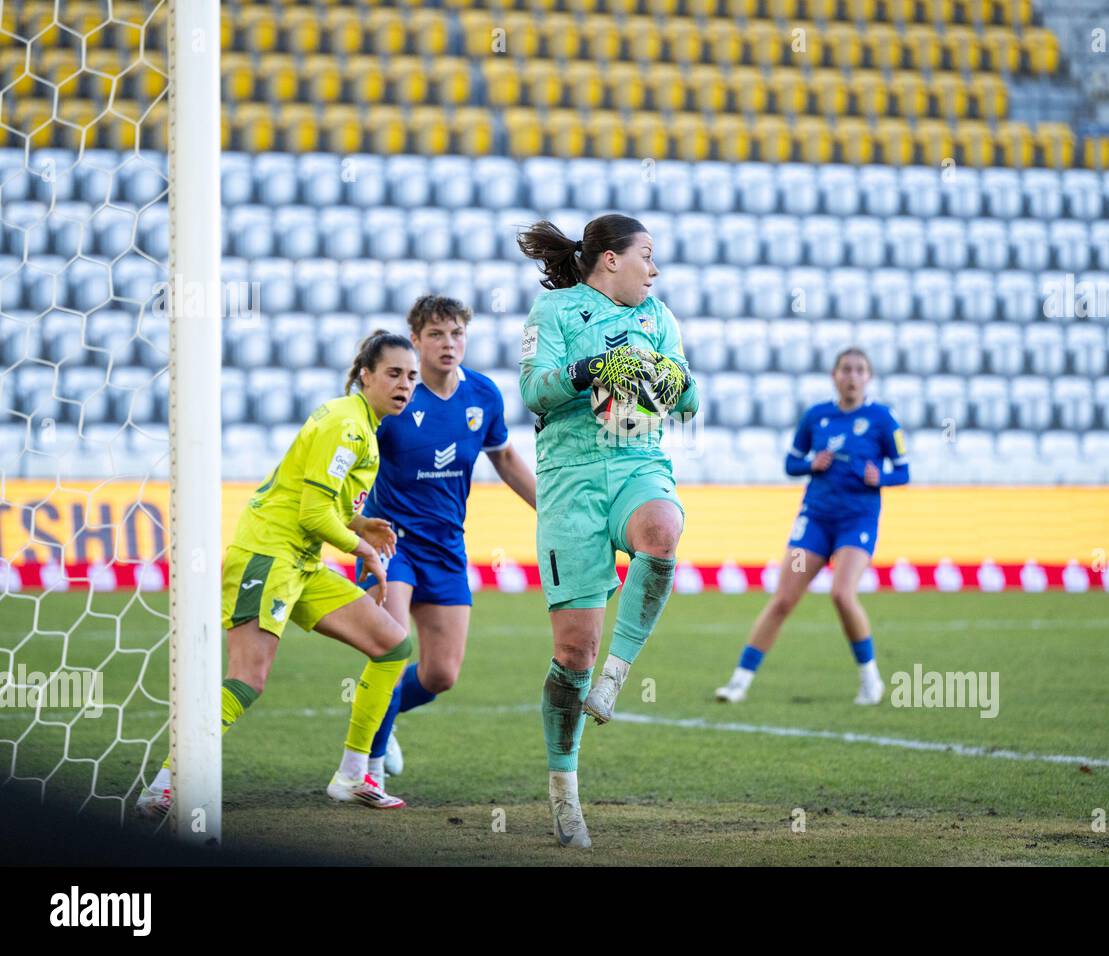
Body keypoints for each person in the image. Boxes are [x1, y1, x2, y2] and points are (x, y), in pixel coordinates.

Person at [135, 330, 418, 818]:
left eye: (411, 377)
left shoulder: (360, 424)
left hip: (301, 563)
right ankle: (167, 784)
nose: (405, 385)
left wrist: (359, 523)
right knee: (247, 679)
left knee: (393, 644)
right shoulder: (347, 427)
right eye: (394, 373)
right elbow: (311, 514)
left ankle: (354, 774)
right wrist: (364, 552)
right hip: (266, 556)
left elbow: (315, 501)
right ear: (366, 375)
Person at [516, 214, 699, 848]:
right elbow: (535, 392)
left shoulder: (659, 319)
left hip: (635, 460)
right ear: (611, 260)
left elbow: (690, 398)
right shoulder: (556, 311)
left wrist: (673, 383)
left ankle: (616, 678)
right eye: (647, 255)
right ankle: (564, 792)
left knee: (663, 529)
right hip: (569, 480)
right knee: (572, 654)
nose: (656, 268)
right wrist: (592, 370)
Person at [348, 295, 536, 794]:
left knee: (441, 674)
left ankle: (382, 724)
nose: (447, 343)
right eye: (435, 334)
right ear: (415, 340)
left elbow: (506, 459)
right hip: (392, 542)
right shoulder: (394, 397)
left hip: (447, 546)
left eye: (456, 334)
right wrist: (357, 526)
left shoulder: (482, 396)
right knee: (391, 645)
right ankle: (364, 767)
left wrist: (549, 509)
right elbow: (353, 466)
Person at [715, 348, 910, 707]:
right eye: (845, 369)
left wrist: (879, 476)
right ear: (834, 375)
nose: (852, 376)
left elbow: (903, 471)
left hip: (856, 522)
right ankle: (739, 682)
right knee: (783, 599)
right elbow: (791, 462)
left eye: (859, 370)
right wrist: (811, 464)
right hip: (815, 521)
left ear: (869, 378)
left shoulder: (882, 419)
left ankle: (871, 680)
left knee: (841, 593)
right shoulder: (817, 417)